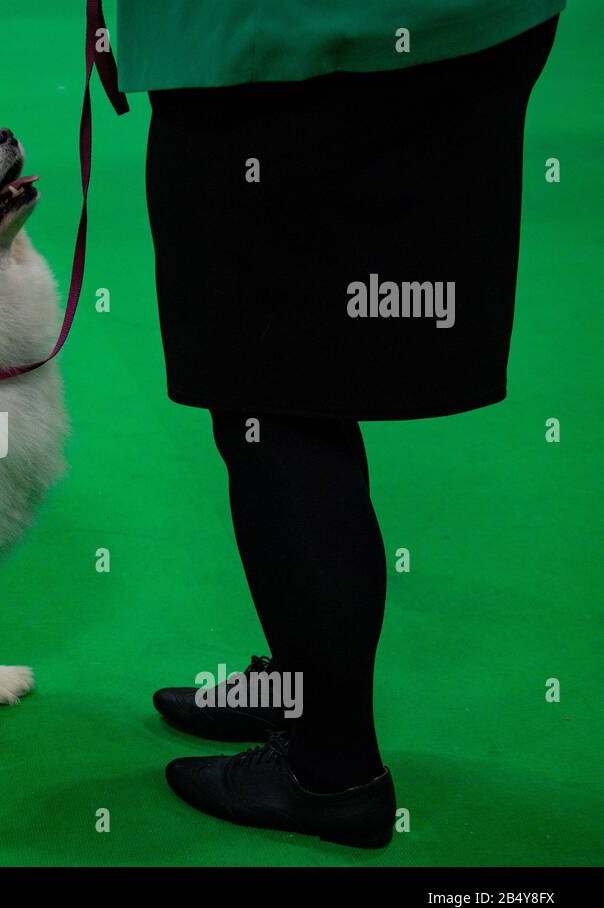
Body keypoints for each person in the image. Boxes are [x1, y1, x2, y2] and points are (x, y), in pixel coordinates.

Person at [114, 0, 563, 847]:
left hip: (295, 51)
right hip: (454, 31)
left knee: (270, 395)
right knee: (291, 381)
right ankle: (300, 687)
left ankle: (330, 768)